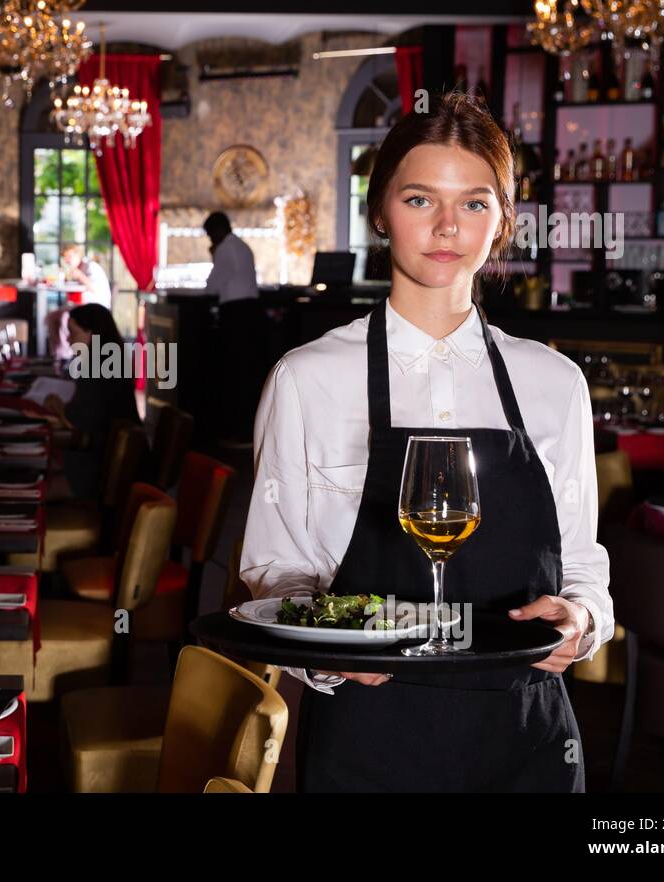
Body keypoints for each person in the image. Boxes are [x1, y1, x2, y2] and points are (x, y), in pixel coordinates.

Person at [240, 92, 613, 792]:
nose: (448, 227)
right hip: (368, 735)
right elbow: (272, 569)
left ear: (503, 221)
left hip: (527, 735)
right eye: (420, 200)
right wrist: (327, 653)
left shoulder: (554, 383)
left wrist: (584, 617)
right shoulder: (305, 379)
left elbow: (583, 562)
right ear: (380, 211)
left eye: (474, 203)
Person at [36, 303, 140, 498]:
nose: (68, 338)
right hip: (116, 460)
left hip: (105, 468)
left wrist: (58, 406)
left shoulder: (97, 367)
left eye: (73, 332)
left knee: (36, 487)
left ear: (92, 334)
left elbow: (78, 423)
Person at [202, 212, 266, 444]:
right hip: (251, 312)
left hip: (236, 315)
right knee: (247, 373)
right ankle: (248, 431)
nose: (210, 240)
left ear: (218, 231)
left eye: (210, 235)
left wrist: (213, 256)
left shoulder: (224, 249)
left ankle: (237, 432)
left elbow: (212, 287)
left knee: (235, 374)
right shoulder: (241, 246)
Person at [46, 244, 111, 360]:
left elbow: (94, 288)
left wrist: (79, 275)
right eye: (66, 257)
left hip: (95, 306)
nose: (67, 260)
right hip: (80, 305)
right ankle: (56, 353)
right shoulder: (76, 269)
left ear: (78, 256)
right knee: (51, 317)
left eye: (70, 257)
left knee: (64, 318)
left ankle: (66, 355)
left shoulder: (91, 266)